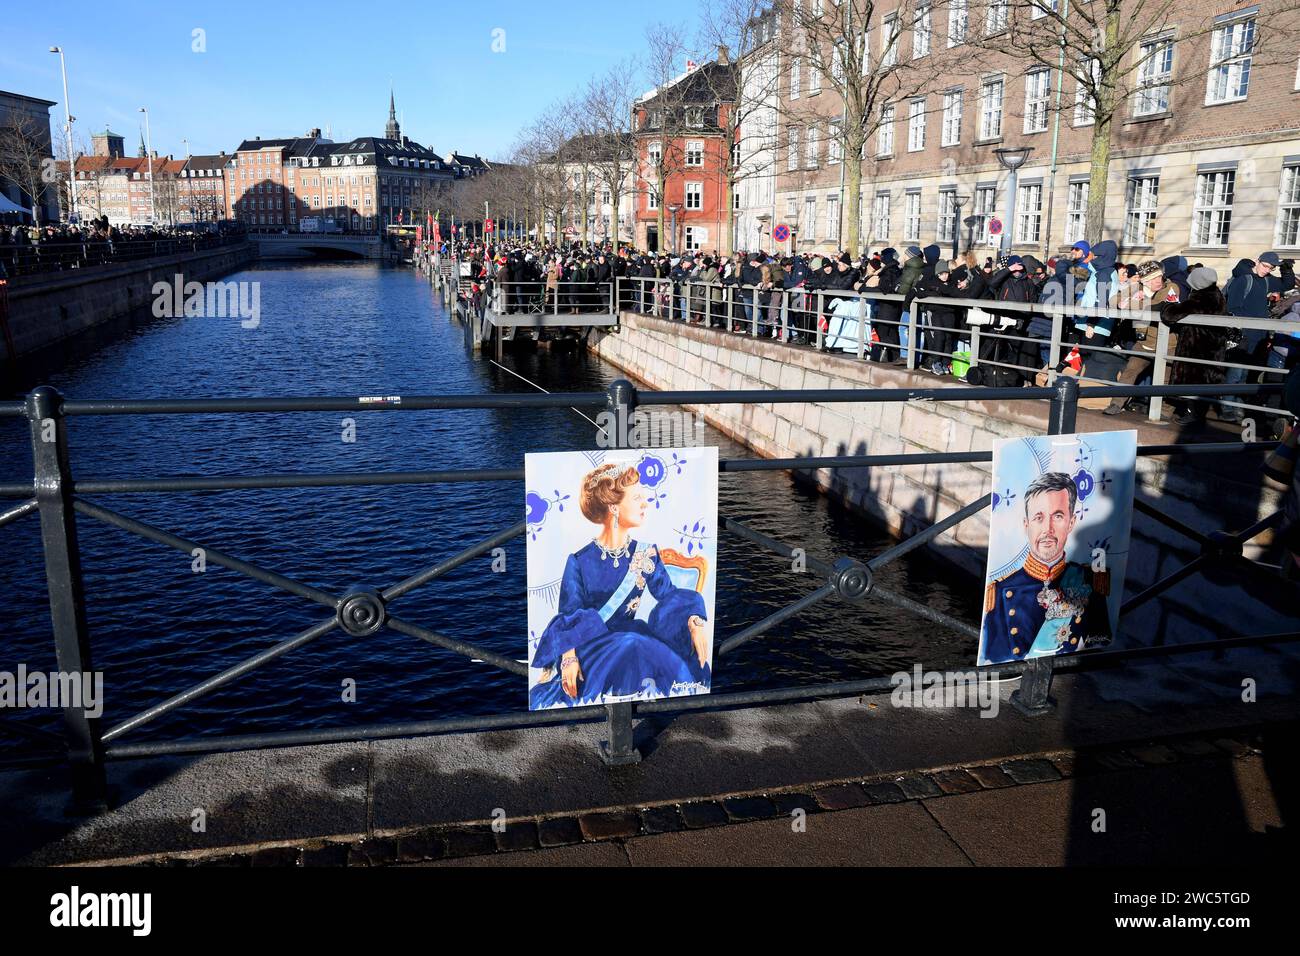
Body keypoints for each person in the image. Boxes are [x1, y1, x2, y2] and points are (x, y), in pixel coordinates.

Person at [529, 463, 711, 709]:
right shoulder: (579, 561)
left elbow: (669, 595)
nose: (645, 503)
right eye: (636, 498)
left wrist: (694, 620)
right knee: (632, 644)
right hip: (594, 647)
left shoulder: (646, 553)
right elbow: (569, 615)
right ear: (614, 507)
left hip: (633, 638)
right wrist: (569, 658)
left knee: (635, 643)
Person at [979, 472, 1112, 665]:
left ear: (1071, 523)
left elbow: (1098, 646)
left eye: (1057, 516)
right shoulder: (1000, 591)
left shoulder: (1089, 580)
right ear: (1026, 525)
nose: (1047, 529)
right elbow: (994, 661)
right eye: (1038, 518)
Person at [1166, 267, 1234, 426]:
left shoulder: (1199, 299)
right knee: (1205, 381)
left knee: (1193, 381)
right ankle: (1197, 413)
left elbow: (1169, 315)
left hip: (1197, 346)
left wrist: (1167, 305)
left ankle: (1193, 415)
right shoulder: (1217, 295)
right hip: (1213, 346)